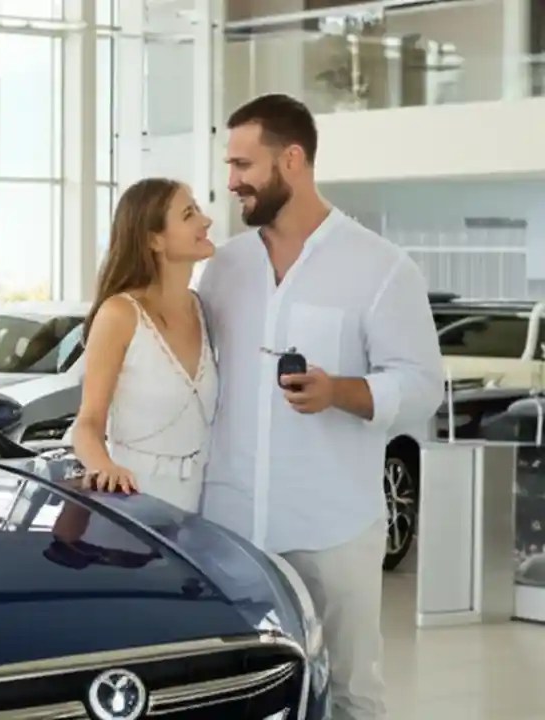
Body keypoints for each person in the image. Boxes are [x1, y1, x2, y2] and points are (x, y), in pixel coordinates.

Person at [196, 93, 444, 720]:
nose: (231, 183)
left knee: (351, 692)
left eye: (242, 165)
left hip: (333, 527)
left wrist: (341, 392)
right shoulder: (224, 268)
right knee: (231, 689)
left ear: (293, 160)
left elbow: (421, 386)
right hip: (229, 528)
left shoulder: (381, 268)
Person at [69, 177, 218, 514]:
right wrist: (103, 467)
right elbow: (87, 424)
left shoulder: (201, 308)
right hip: (135, 506)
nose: (205, 221)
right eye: (188, 214)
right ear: (154, 239)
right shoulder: (120, 314)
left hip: (200, 511)